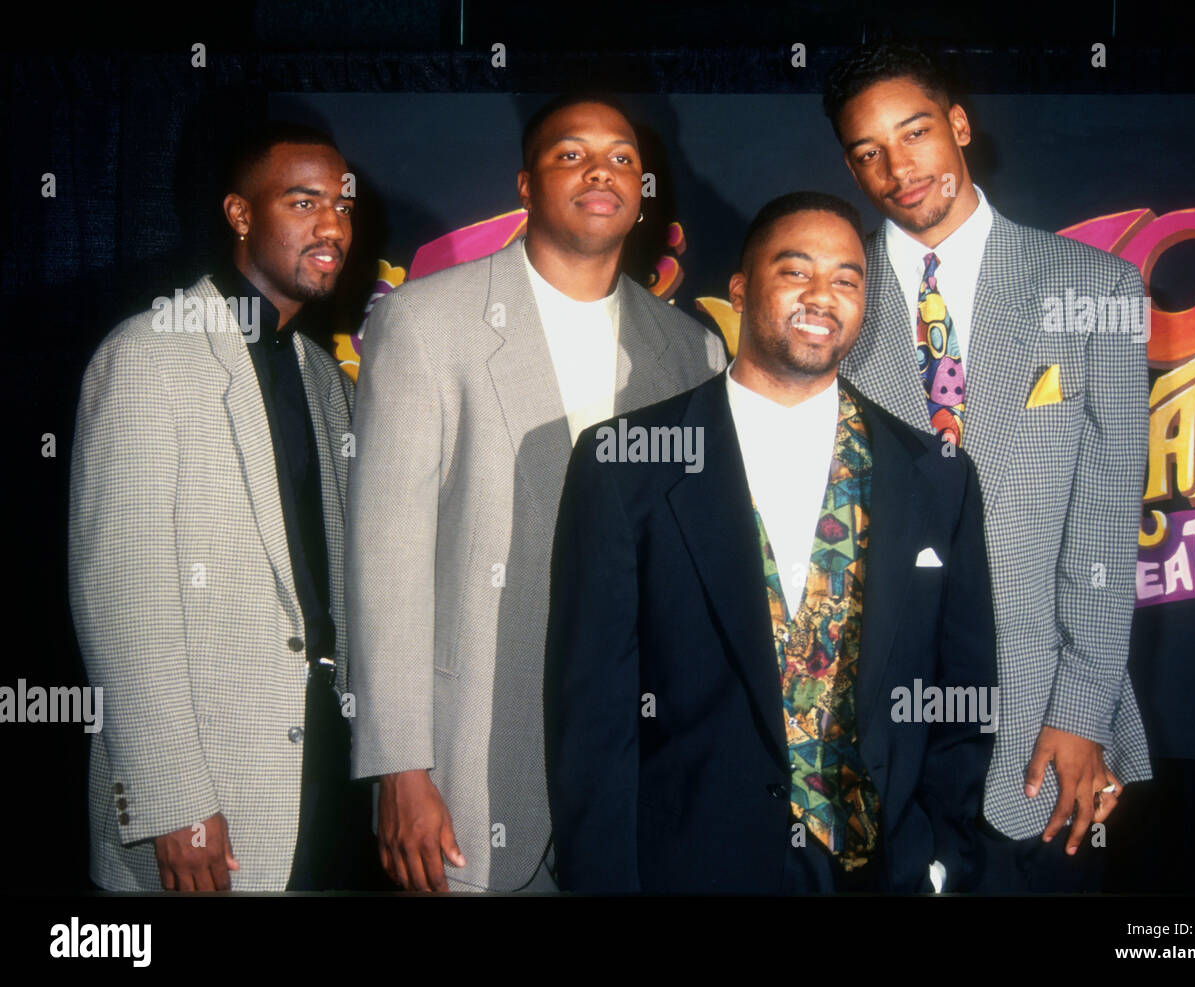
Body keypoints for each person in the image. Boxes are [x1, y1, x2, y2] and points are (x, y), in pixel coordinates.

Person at [545, 192, 997, 892]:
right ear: (739, 289)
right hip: (692, 871)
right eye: (796, 271)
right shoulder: (625, 463)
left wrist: (939, 858)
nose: (823, 296)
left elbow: (963, 690)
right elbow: (591, 718)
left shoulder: (936, 475)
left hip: (876, 871)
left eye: (847, 280)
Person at [346, 94, 726, 892]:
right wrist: (400, 767)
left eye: (622, 157)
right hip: (472, 764)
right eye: (571, 155)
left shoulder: (692, 350)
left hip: (638, 773)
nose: (601, 172)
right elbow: (386, 562)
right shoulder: (424, 322)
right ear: (525, 185)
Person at [824, 41, 1150, 891]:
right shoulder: (829, 303)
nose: (899, 169)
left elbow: (1106, 524)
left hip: (1041, 735)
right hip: (870, 742)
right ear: (851, 168)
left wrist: (1081, 712)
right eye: (869, 152)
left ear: (960, 125)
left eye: (916, 132)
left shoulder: (1097, 289)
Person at [69, 122, 378, 891]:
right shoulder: (147, 354)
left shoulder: (326, 379)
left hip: (321, 781)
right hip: (203, 798)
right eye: (303, 202)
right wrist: (172, 800)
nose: (333, 226)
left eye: (342, 205)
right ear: (240, 215)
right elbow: (121, 603)